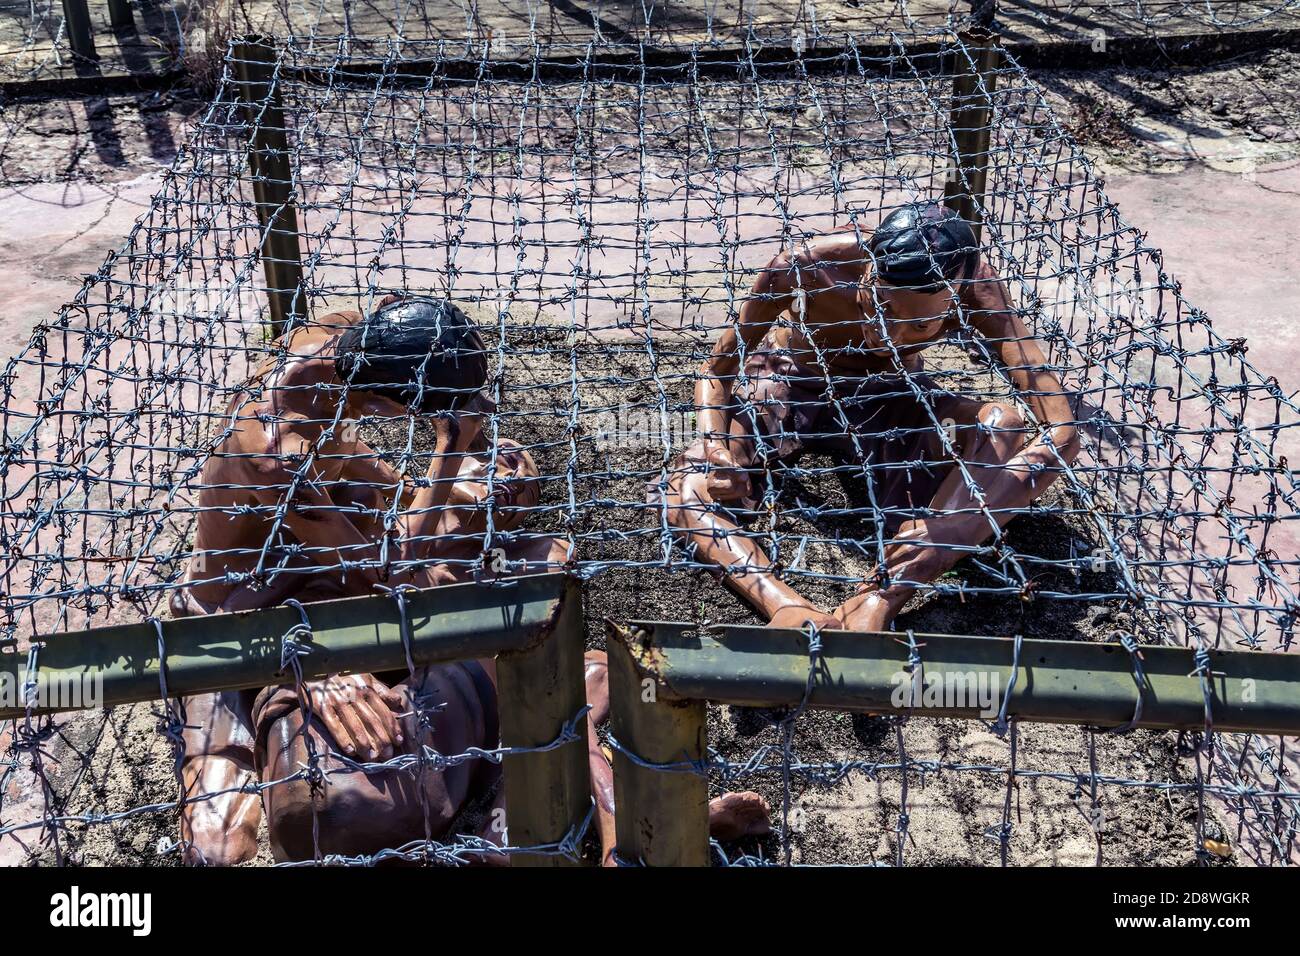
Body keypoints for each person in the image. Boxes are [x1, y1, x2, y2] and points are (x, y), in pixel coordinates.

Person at [663, 202, 1080, 633]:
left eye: (918, 327)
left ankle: (881, 596)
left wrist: (948, 532)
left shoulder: (979, 288)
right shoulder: (807, 265)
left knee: (1001, 426)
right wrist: (716, 447)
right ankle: (785, 606)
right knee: (687, 482)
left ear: (954, 296)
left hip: (891, 400)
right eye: (880, 307)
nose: (888, 336)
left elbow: (1063, 433)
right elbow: (717, 370)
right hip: (786, 384)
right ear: (867, 274)